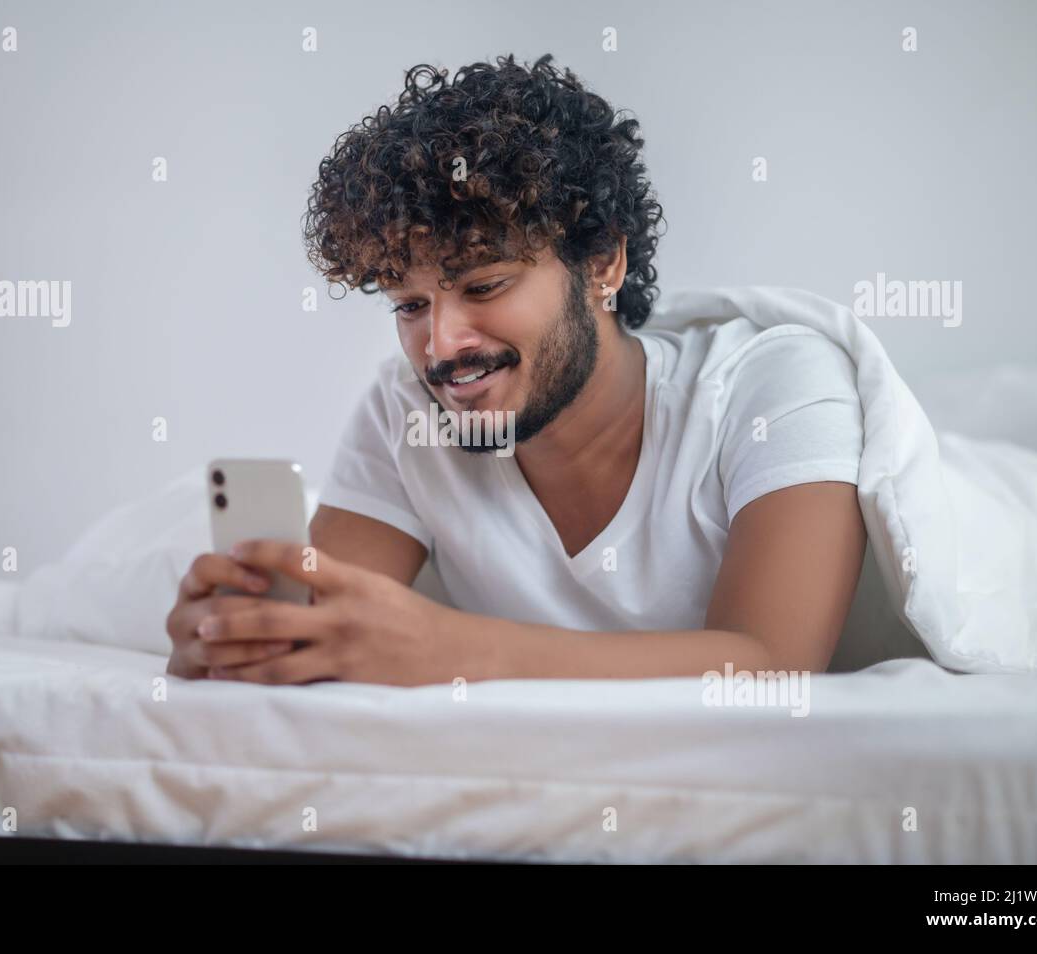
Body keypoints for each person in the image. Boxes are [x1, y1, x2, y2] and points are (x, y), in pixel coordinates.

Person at [165, 54, 867, 685]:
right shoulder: (405, 411)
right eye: (410, 305)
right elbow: (328, 639)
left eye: (483, 287)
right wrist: (237, 643)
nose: (439, 348)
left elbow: (771, 662)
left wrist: (460, 649)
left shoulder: (774, 384)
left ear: (603, 265)